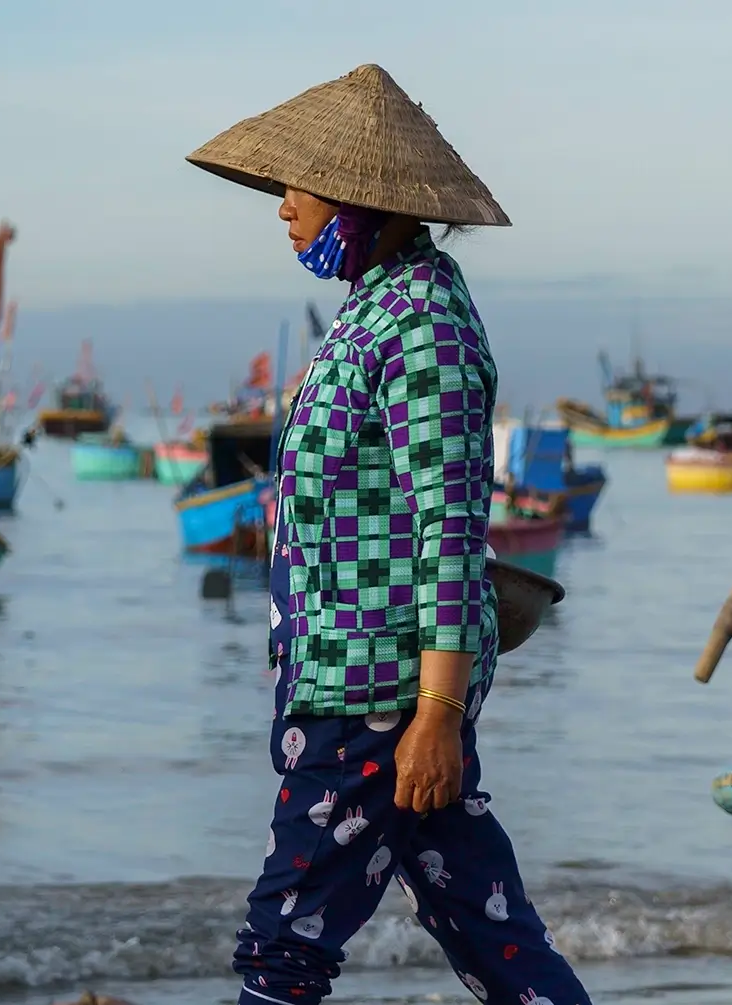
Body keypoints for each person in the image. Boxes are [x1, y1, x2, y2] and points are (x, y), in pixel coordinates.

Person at [186, 64, 592, 1005]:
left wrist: (437, 717)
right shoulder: (370, 310)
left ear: (364, 197)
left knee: (282, 946)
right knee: (492, 936)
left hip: (379, 690)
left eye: (298, 184)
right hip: (352, 677)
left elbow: (450, 530)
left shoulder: (426, 327)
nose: (282, 206)